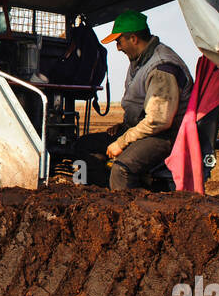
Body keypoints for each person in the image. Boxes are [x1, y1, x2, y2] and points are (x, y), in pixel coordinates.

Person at [76, 11, 193, 190]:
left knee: (121, 169)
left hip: (165, 136)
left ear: (134, 39)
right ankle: (99, 197)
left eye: (119, 41)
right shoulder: (139, 61)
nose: (118, 47)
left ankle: (124, 210)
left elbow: (159, 121)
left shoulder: (162, 67)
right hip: (142, 130)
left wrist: (122, 141)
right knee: (83, 146)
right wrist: (124, 126)